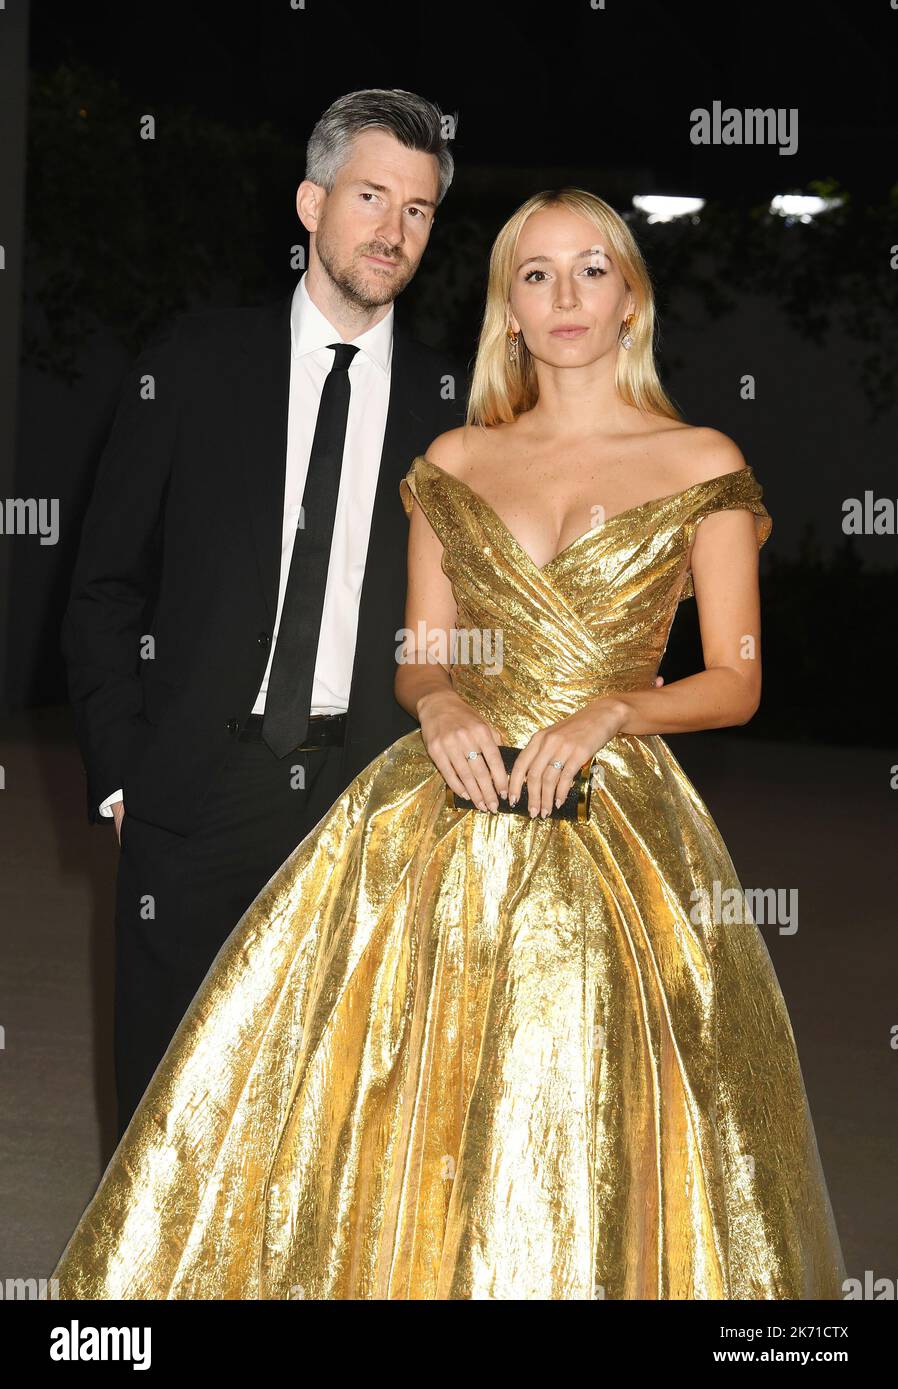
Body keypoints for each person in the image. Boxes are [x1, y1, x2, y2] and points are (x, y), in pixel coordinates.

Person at [51, 187, 846, 1300]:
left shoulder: (700, 457)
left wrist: (616, 709)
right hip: (441, 812)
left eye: (589, 269)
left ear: (630, 298)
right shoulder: (455, 460)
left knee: (581, 1114)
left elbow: (736, 680)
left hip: (614, 826)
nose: (562, 295)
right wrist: (437, 705)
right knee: (380, 1114)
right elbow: (419, 656)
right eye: (533, 274)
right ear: (505, 311)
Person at [60, 89, 467, 1139]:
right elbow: (104, 583)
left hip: (367, 795)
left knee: (330, 1129)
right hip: (194, 784)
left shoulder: (455, 409)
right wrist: (119, 771)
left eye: (417, 210)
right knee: (166, 1111)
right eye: (371, 196)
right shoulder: (192, 365)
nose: (392, 230)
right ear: (310, 201)